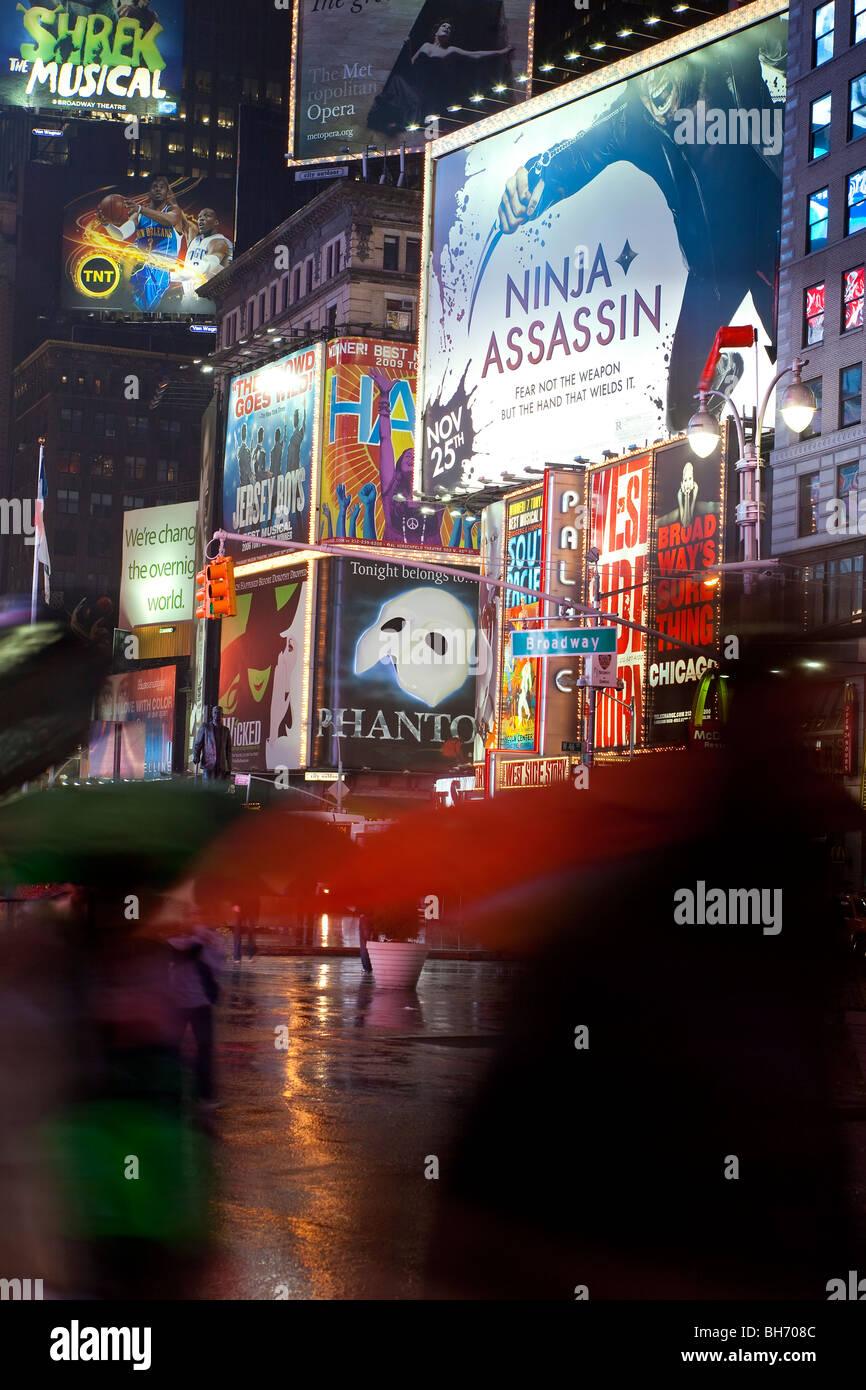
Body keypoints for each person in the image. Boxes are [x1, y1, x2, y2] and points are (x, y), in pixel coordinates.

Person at [491, 25, 786, 431]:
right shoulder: (630, 120)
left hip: (775, 246)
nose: (654, 88)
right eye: (644, 82)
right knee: (684, 415)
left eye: (661, 73)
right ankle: (725, 378)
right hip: (711, 273)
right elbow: (577, 154)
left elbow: (781, 48)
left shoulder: (728, 58)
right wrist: (530, 185)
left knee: (807, 375)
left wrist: (778, 51)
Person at [97, 174, 183, 313]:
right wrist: (106, 225)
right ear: (149, 191)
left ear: (167, 192)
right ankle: (118, 293)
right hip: (139, 264)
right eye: (155, 187)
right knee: (129, 253)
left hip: (159, 270)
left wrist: (140, 209)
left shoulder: (173, 211)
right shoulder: (138, 215)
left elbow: (169, 221)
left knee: (138, 310)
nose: (158, 190)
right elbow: (121, 235)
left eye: (162, 187)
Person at [168, 899, 223, 1105]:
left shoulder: (209, 939)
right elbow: (173, 956)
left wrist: (200, 942)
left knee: (204, 1048)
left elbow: (216, 965)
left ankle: (205, 1094)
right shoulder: (175, 938)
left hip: (200, 1001)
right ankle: (175, 1092)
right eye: (190, 914)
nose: (194, 918)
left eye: (198, 914)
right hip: (177, 1000)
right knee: (172, 1048)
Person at [174, 207, 232, 308]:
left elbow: (202, 270)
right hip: (189, 299)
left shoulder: (220, 242)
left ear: (216, 222)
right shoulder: (194, 240)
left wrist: (166, 276)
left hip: (211, 301)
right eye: (200, 216)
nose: (201, 218)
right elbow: (177, 217)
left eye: (207, 216)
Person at [193, 705, 232, 781]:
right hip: (208, 763)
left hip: (221, 765)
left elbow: (228, 750)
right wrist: (196, 755)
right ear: (212, 714)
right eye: (215, 712)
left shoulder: (226, 730)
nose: (216, 714)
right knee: (207, 788)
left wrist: (229, 767)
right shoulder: (205, 727)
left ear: (222, 715)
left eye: (218, 713)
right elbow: (198, 744)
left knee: (219, 789)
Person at [231, 895, 258, 964]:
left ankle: (250, 956)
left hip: (251, 907)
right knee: (238, 933)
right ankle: (237, 956)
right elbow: (233, 890)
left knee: (250, 933)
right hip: (240, 907)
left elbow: (257, 896)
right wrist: (234, 904)